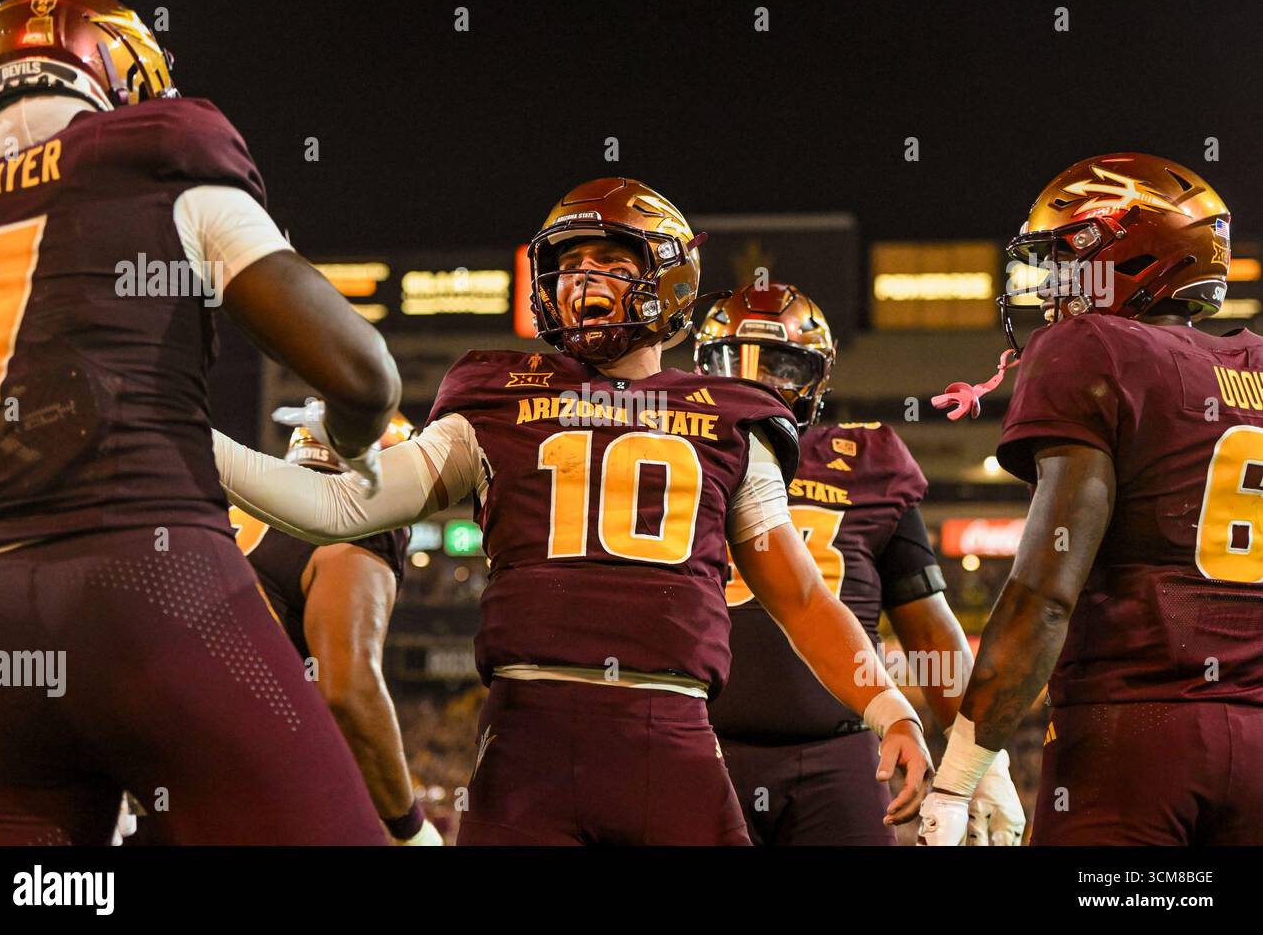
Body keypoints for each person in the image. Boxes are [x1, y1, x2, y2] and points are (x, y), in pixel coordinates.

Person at [215, 176, 933, 845]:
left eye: (611, 260)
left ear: (668, 277)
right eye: (572, 261)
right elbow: (339, 506)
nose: (585, 277)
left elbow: (802, 597)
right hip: (530, 732)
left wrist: (889, 707)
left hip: (672, 731)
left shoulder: (733, 418)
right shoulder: (496, 394)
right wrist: (185, 435)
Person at [0, 0, 398, 844]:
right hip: (147, 577)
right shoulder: (157, 155)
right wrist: (353, 450)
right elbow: (362, 373)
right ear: (125, 78)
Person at [921, 153, 1263, 845]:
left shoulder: (1093, 347)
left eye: (1066, 259)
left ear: (1129, 256)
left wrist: (960, 774)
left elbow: (1046, 591)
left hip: (1136, 736)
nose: (1051, 285)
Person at [697, 282, 1024, 845]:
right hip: (704, 744)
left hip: (842, 751)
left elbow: (928, 627)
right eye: (733, 361)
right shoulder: (677, 452)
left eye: (779, 364)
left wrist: (982, 758)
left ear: (816, 378)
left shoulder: (866, 462)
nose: (754, 381)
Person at [229, 416, 442, 844]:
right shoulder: (357, 515)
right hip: (240, 781)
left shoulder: (238, 507)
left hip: (157, 756)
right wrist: (411, 828)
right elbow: (348, 689)